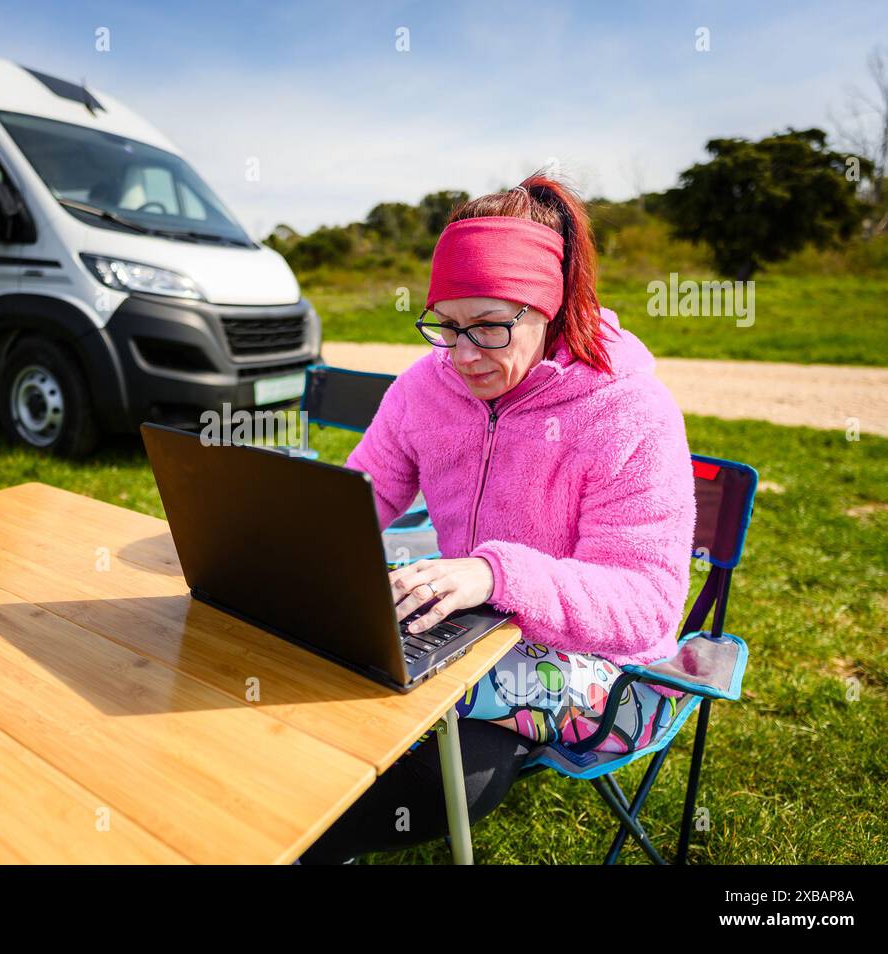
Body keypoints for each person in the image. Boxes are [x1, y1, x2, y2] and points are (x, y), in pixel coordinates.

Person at [298, 174, 696, 864]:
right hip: (471, 621)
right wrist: (285, 529)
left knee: (456, 772)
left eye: (489, 326)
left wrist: (495, 573)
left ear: (553, 307)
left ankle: (292, 841)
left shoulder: (630, 411)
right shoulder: (425, 386)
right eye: (446, 326)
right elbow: (364, 493)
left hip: (596, 660)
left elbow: (646, 604)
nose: (463, 355)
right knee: (317, 650)